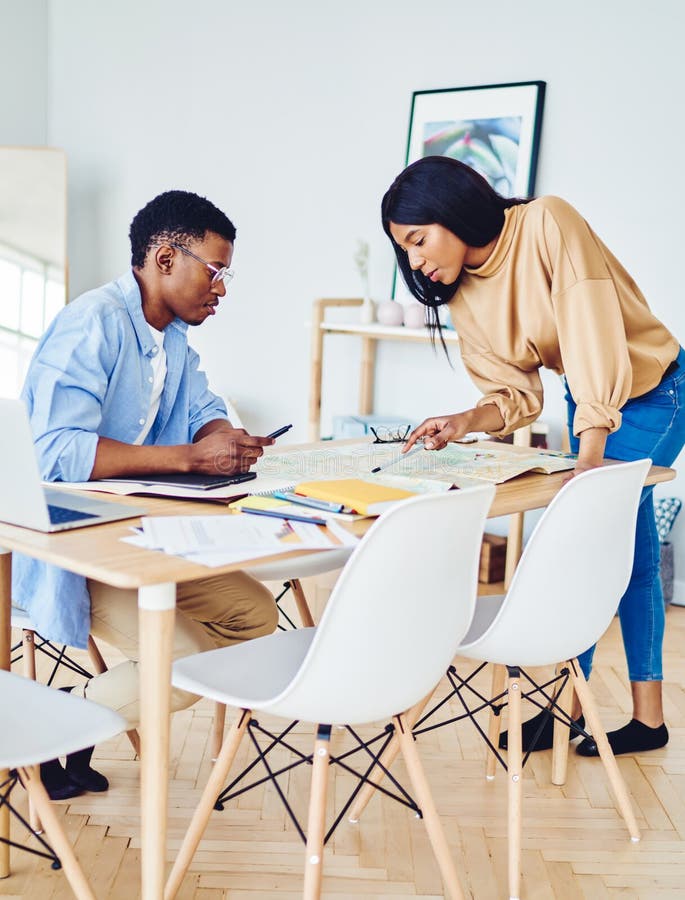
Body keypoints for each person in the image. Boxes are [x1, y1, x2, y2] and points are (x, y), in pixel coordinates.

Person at [381, 155, 685, 757]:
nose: (414, 261)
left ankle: (571, 707)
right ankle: (630, 719)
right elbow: (514, 396)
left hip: (653, 392)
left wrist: (588, 456)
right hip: (591, 400)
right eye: (405, 249)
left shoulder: (548, 222)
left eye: (418, 240)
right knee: (629, 550)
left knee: (589, 540)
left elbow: (592, 332)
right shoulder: (463, 290)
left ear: (450, 210)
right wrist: (463, 421)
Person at [12, 190, 279, 798]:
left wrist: (223, 439)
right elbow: (52, 450)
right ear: (164, 259)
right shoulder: (93, 322)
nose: (222, 288)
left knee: (258, 616)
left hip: (142, 537)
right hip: (70, 546)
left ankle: (70, 726)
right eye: (215, 271)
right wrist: (190, 456)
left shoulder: (173, 339)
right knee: (185, 666)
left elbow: (204, 408)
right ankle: (39, 739)